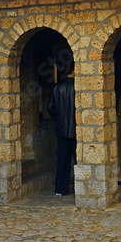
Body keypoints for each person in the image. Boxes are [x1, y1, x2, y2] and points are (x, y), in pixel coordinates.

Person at [47, 64, 76, 196]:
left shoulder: (57, 87)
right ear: (74, 71)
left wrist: (58, 120)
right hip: (76, 129)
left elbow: (51, 108)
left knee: (62, 159)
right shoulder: (78, 87)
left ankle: (60, 188)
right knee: (78, 159)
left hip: (62, 129)